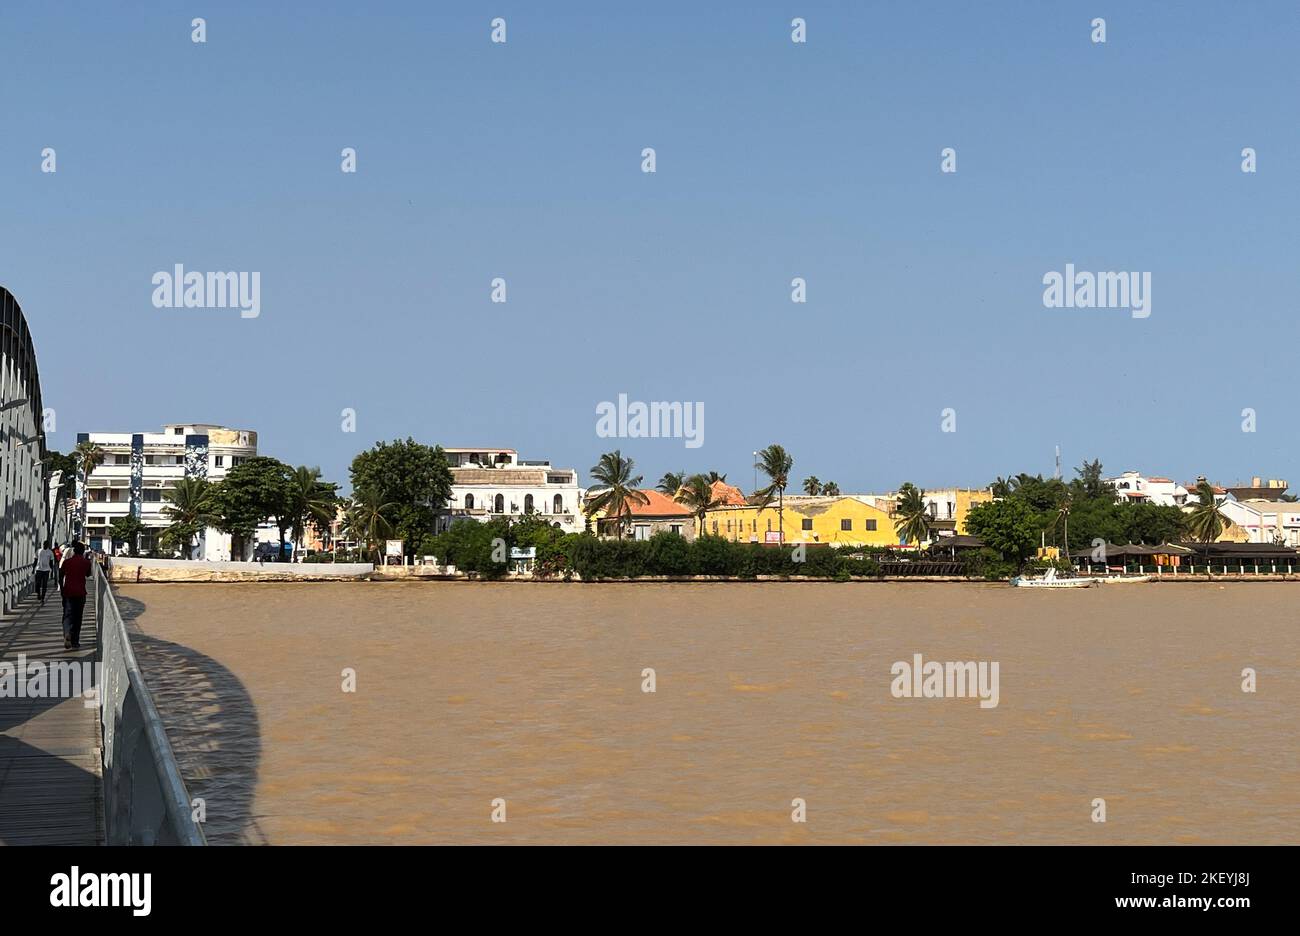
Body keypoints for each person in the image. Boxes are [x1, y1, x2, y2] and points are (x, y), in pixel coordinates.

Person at [59, 542, 94, 651]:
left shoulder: (67, 562)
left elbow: (60, 575)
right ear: (83, 551)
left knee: (67, 615)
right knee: (78, 617)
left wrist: (62, 588)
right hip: (80, 593)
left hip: (68, 592)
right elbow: (88, 574)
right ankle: (75, 641)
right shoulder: (86, 562)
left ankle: (67, 633)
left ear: (73, 551)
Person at [33, 540, 56, 604]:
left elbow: (51, 562)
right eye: (44, 544)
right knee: (37, 583)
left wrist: (51, 570)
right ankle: (38, 593)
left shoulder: (50, 552)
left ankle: (42, 598)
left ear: (48, 545)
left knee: (44, 585)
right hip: (38, 569)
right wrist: (33, 568)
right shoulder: (38, 551)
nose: (45, 545)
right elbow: (35, 560)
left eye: (46, 544)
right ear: (43, 544)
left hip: (46, 570)